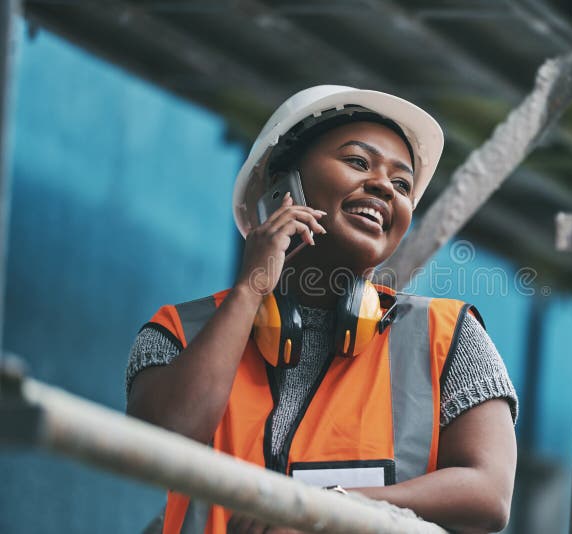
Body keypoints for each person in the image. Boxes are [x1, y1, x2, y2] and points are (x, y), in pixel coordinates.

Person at [126, 85, 518, 534]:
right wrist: (251, 288)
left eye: (402, 184)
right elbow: (158, 445)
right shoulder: (179, 331)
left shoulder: (447, 336)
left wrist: (326, 509)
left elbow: (488, 494)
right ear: (282, 186)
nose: (383, 188)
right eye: (357, 161)